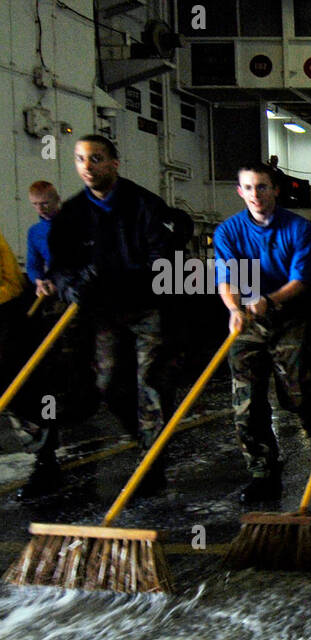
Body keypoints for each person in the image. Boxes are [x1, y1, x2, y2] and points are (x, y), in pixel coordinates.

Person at [45, 135, 175, 496]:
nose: (87, 166)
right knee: (109, 386)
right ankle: (143, 434)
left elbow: (162, 259)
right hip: (102, 314)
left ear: (114, 163)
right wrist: (74, 287)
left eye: (96, 158)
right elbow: (59, 267)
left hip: (144, 307)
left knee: (150, 381)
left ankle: (152, 464)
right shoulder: (70, 215)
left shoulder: (145, 205)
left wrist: (123, 279)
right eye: (81, 159)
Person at [214, 162, 311, 504]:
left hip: (290, 315)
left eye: (262, 187)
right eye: (248, 188)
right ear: (239, 191)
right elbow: (226, 278)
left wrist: (270, 300)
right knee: (247, 401)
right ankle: (262, 469)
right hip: (247, 318)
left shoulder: (298, 227)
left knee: (298, 393)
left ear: (275, 189)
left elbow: (301, 279)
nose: (255, 194)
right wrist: (234, 309)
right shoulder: (228, 231)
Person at [25, 181, 60, 299]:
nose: (40, 209)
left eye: (44, 203)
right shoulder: (34, 232)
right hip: (52, 284)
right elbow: (33, 265)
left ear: (57, 200)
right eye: (35, 204)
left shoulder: (74, 224)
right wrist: (39, 281)